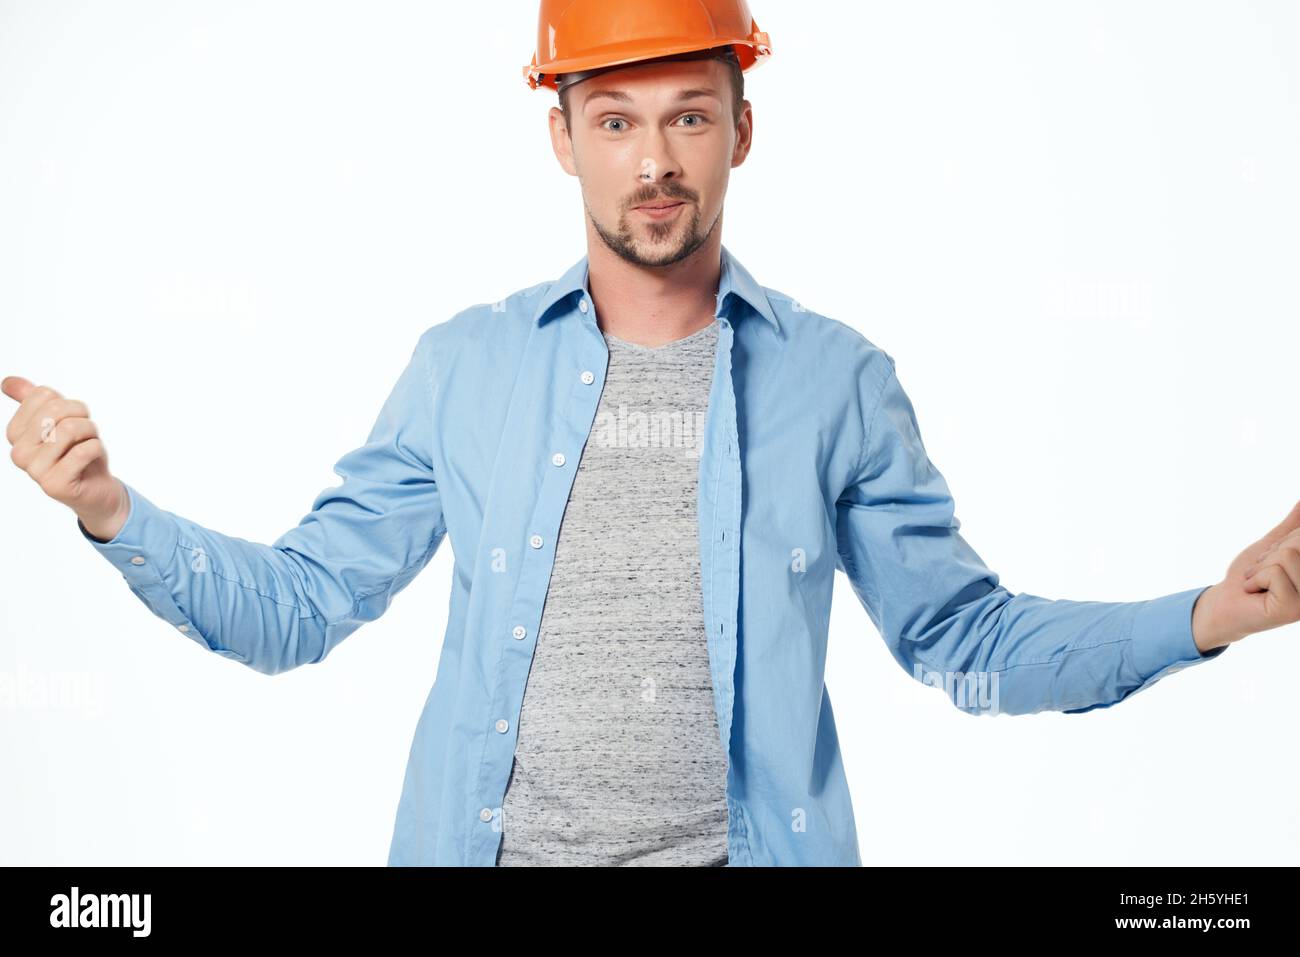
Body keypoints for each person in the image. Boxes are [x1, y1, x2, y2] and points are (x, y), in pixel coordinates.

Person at [4, 0, 1296, 867]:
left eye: (688, 112)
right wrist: (114, 509)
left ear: (744, 127)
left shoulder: (837, 383)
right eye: (616, 120)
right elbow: (296, 609)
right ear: (561, 139)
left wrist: (1209, 613)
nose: (655, 159)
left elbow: (964, 639)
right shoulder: (465, 368)